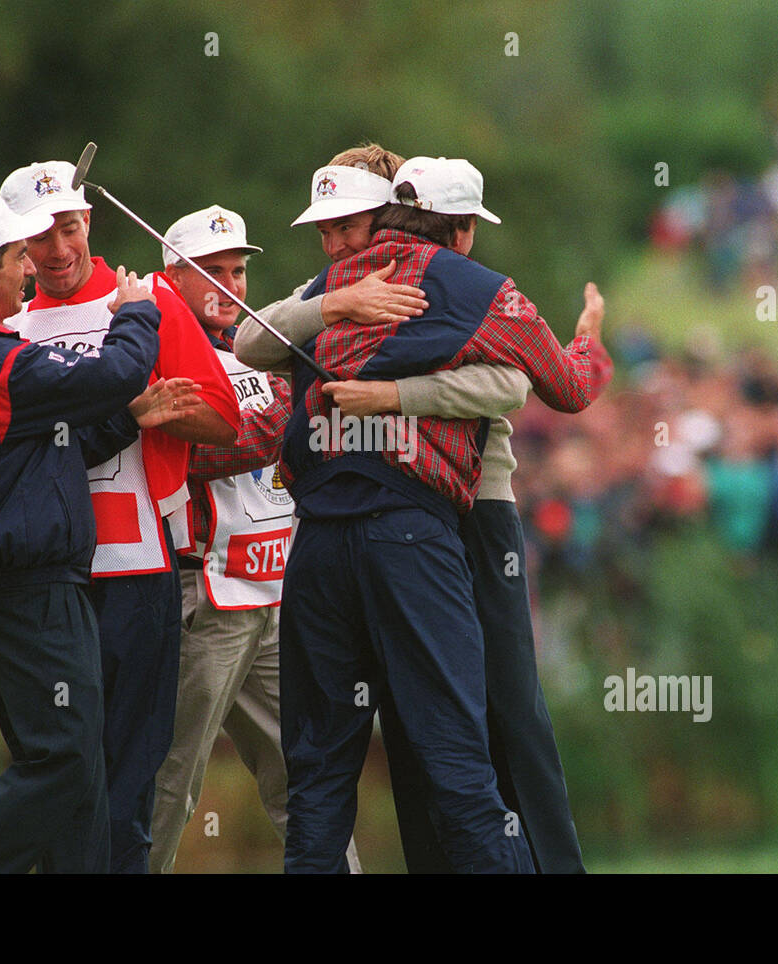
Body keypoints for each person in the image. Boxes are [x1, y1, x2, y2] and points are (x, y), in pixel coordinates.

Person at [237, 146, 610, 873]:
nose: (336, 241)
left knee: (316, 781)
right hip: (416, 531)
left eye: (345, 224)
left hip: (314, 545)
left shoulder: (329, 282)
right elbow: (554, 386)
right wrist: (591, 336)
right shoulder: (478, 289)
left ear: (387, 213)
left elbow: (253, 339)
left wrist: (383, 388)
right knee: (462, 755)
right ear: (463, 226)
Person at [0, 188, 185, 872]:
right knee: (65, 765)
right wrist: (139, 312)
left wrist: (130, 419)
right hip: (31, 599)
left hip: (35, 596)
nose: (30, 268)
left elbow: (54, 451)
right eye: (15, 257)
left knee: (81, 780)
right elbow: (112, 374)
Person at [0, 162, 240, 874]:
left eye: (67, 228)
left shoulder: (153, 301)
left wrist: (166, 410)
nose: (57, 250)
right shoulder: (6, 328)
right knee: (60, 779)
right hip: (46, 584)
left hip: (142, 575)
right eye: (38, 238)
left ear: (88, 223)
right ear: (17, 246)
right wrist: (119, 411)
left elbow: (224, 419)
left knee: (134, 781)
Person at [142, 206, 355, 872]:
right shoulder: (152, 347)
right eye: (213, 273)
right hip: (200, 603)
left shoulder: (258, 345)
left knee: (309, 778)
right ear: (172, 276)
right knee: (168, 788)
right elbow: (193, 451)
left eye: (238, 270)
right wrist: (288, 416)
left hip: (273, 596)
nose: (231, 285)